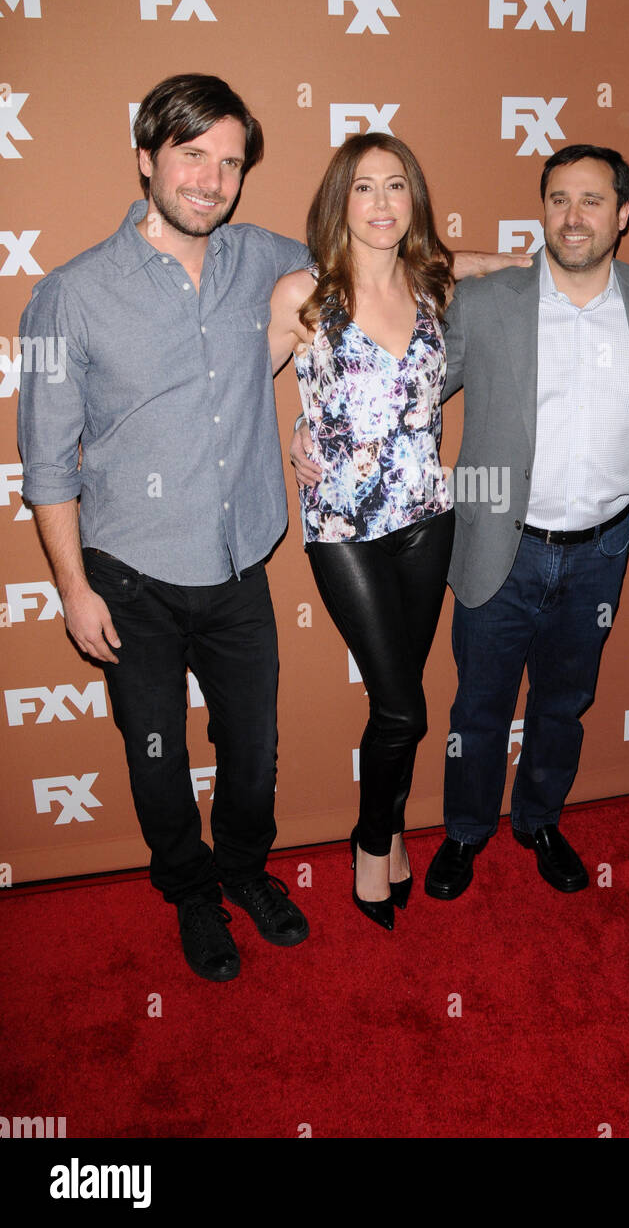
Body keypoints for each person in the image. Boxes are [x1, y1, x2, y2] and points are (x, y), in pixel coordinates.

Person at [17, 73, 311, 982]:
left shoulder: (259, 256)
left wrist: (508, 267)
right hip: (129, 578)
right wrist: (72, 588)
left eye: (229, 163)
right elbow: (45, 459)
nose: (211, 180)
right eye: (192, 157)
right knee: (156, 759)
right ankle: (189, 890)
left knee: (252, 753)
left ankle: (244, 871)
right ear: (146, 159)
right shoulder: (65, 297)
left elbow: (372, 259)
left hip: (237, 570)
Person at [423, 144, 629, 899]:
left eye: (592, 200)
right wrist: (325, 428)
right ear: (543, 209)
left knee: (564, 704)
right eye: (559, 199)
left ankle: (538, 820)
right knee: (479, 705)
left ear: (623, 214)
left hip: (600, 552)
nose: (573, 217)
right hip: (504, 546)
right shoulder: (489, 300)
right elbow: (410, 394)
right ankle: (466, 833)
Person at [269, 133, 457, 931]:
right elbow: (234, 390)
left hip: (426, 517)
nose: (381, 204)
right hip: (342, 526)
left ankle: (389, 832)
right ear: (339, 200)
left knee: (399, 701)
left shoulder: (433, 284)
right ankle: (369, 840)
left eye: (396, 187)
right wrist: (288, 438)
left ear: (413, 201)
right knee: (404, 709)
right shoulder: (303, 295)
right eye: (365, 188)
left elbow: (477, 263)